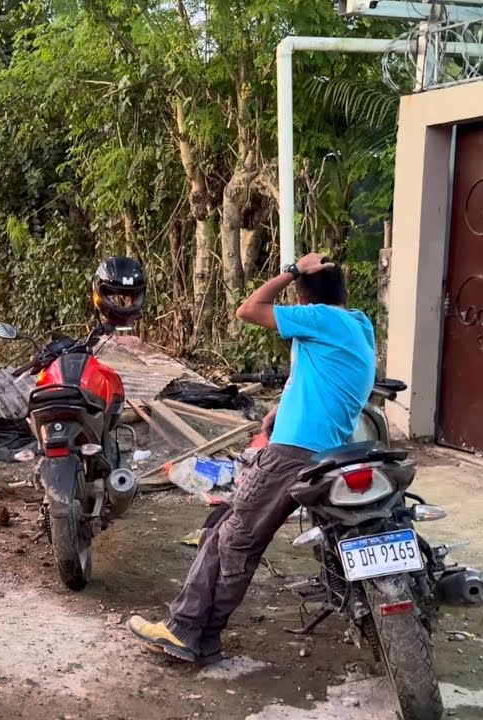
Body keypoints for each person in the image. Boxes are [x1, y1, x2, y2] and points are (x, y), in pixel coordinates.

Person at [127, 252, 375, 664]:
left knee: (235, 539)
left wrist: (291, 272)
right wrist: (279, 410)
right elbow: (317, 376)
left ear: (302, 299)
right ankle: (197, 636)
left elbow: (248, 309)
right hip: (326, 451)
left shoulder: (318, 318)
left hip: (293, 453)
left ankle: (186, 629)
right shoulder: (358, 326)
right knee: (225, 530)